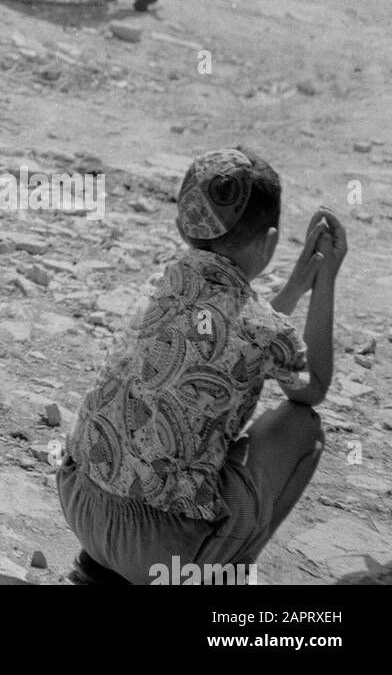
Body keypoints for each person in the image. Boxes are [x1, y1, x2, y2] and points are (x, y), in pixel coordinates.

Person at [59, 147, 343, 586]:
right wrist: (325, 284)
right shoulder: (259, 325)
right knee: (301, 427)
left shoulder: (166, 282)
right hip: (156, 551)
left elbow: (227, 333)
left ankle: (105, 572)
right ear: (269, 242)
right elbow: (314, 386)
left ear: (186, 228)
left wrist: (293, 288)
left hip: (79, 502)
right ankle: (214, 579)